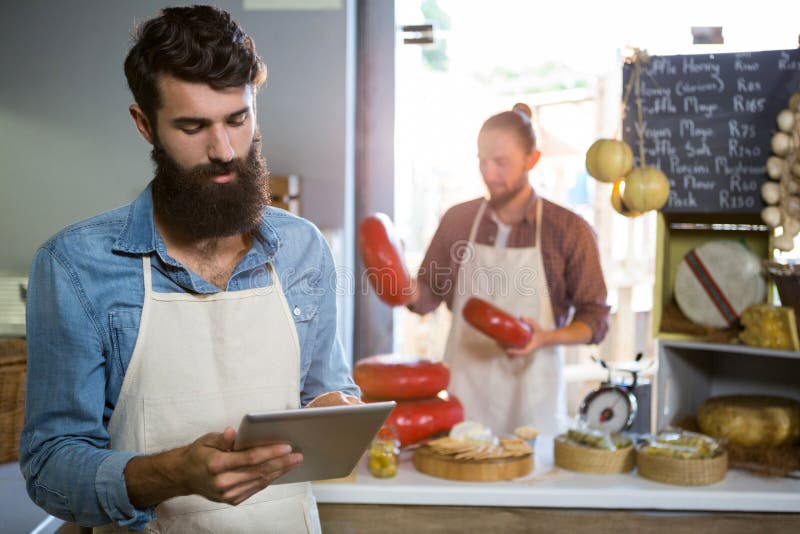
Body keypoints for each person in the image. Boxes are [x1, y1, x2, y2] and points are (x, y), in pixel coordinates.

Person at [20, 6, 358, 533]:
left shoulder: (302, 248)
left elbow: (324, 390)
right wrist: (172, 473)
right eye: (193, 126)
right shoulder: (73, 266)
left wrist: (335, 409)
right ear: (144, 124)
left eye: (237, 119)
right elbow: (49, 468)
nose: (224, 151)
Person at [406, 104, 610, 437]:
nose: (489, 173)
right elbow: (428, 294)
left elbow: (596, 320)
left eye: (501, 162)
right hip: (464, 397)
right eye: (481, 160)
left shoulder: (570, 231)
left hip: (534, 401)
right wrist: (404, 286)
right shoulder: (457, 221)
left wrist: (545, 337)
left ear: (533, 160)